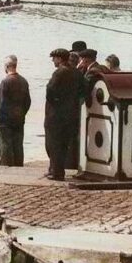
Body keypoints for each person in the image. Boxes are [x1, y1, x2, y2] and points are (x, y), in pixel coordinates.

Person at [44, 49, 82, 181]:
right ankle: (57, 170)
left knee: (53, 144)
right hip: (71, 114)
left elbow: (50, 91)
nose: (53, 61)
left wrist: (56, 102)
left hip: (56, 115)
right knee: (64, 144)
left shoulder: (59, 72)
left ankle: (57, 172)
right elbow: (83, 90)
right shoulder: (77, 73)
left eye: (54, 58)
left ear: (60, 59)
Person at [0, 55, 31, 167]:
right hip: (19, 117)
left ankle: (6, 166)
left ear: (7, 66)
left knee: (5, 144)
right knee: (18, 144)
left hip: (5, 119)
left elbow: (0, 101)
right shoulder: (23, 81)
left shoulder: (5, 81)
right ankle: (18, 165)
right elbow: (28, 101)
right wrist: (22, 113)